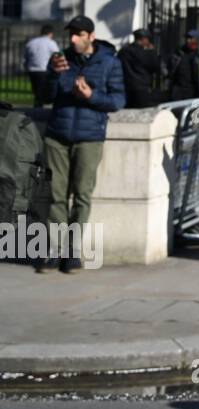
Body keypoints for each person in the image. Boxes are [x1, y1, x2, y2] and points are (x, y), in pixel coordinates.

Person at [39, 16, 126, 273]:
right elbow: (44, 96)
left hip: (89, 137)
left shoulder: (109, 63)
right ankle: (54, 251)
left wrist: (91, 96)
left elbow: (118, 100)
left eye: (78, 34)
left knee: (82, 195)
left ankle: (72, 252)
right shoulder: (60, 60)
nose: (73, 39)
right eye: (71, 35)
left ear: (90, 36)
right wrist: (54, 76)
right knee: (56, 195)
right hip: (58, 135)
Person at [118, 29, 162, 109]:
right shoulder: (145, 53)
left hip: (126, 87)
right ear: (144, 39)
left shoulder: (123, 51)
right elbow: (155, 66)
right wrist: (152, 52)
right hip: (142, 88)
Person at [24, 25, 60, 107]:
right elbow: (57, 55)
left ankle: (37, 104)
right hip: (43, 69)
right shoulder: (51, 43)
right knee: (44, 90)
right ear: (50, 33)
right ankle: (40, 106)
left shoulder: (31, 42)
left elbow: (26, 56)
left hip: (32, 70)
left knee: (36, 90)